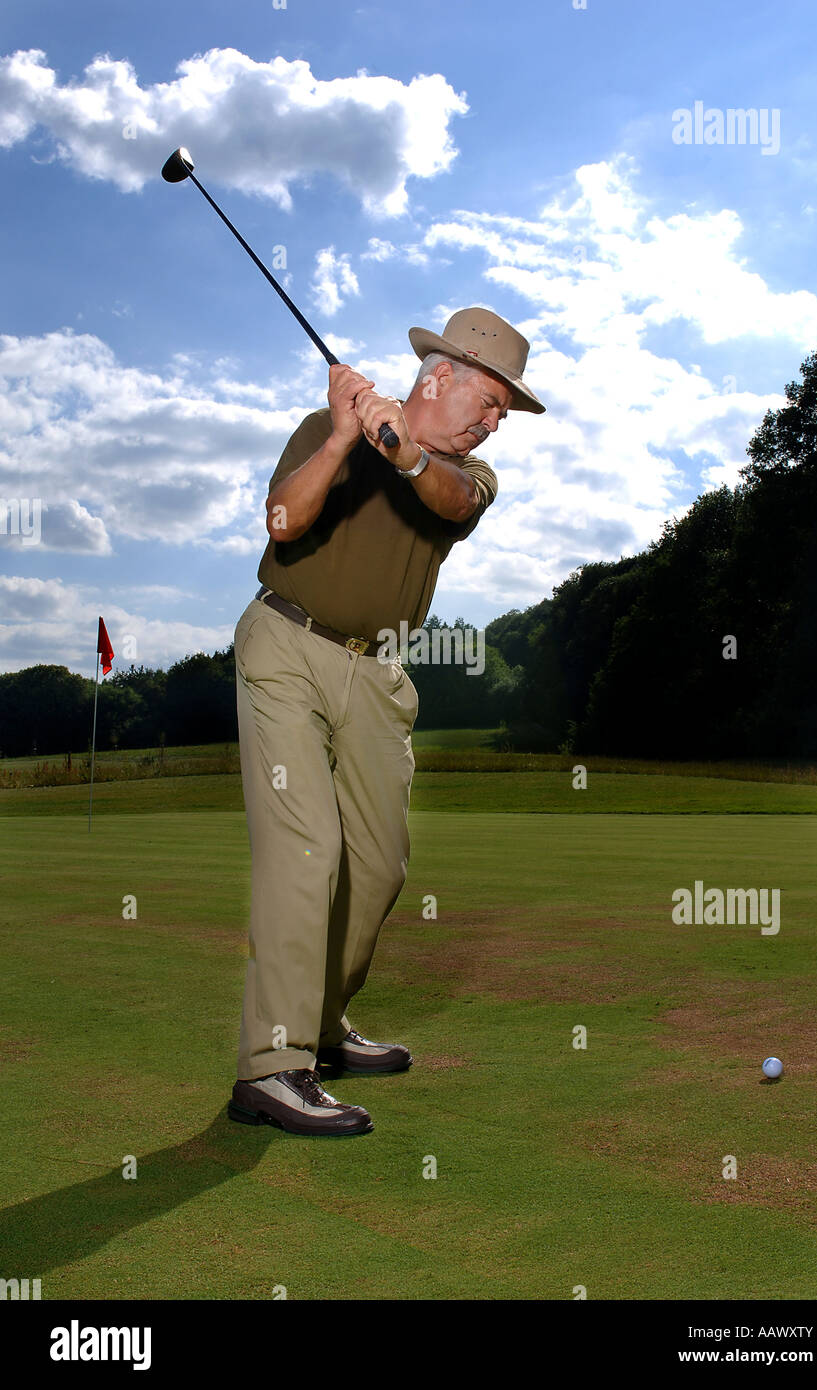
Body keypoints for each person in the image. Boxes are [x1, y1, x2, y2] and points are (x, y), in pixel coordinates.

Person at [228, 307, 545, 1137]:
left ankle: (323, 1027)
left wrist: (400, 450)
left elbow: (440, 499)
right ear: (437, 377)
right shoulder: (320, 427)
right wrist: (341, 439)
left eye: (502, 414)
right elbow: (281, 523)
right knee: (307, 849)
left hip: (378, 674)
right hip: (285, 645)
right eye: (486, 401)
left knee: (378, 864)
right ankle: (273, 1065)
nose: (492, 422)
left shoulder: (468, 476)